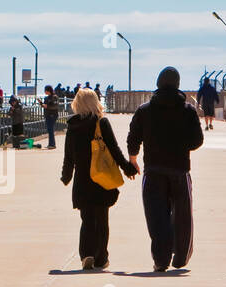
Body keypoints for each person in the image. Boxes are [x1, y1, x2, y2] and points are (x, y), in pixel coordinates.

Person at [127, 67, 204, 272]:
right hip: (180, 170)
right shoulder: (188, 110)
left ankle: (161, 260)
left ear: (158, 83)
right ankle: (180, 257)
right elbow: (197, 140)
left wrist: (133, 159)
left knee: (156, 214)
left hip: (153, 170)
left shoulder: (145, 110)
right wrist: (181, 145)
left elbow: (133, 137)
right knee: (183, 214)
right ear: (178, 84)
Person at [61, 87, 138, 270]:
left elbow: (68, 155)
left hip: (82, 180)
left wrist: (66, 175)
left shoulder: (72, 126)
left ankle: (87, 254)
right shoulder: (101, 123)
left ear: (77, 104)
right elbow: (113, 149)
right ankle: (101, 258)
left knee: (87, 219)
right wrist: (128, 168)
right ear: (96, 102)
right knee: (102, 220)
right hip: (101, 179)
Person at [42, 84, 59, 148]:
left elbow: (55, 106)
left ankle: (52, 144)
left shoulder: (54, 97)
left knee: (51, 130)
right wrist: (41, 103)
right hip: (48, 115)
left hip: (52, 115)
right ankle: (50, 144)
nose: (44, 91)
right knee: (49, 130)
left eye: (45, 90)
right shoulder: (47, 98)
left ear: (48, 90)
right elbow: (46, 106)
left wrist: (47, 106)